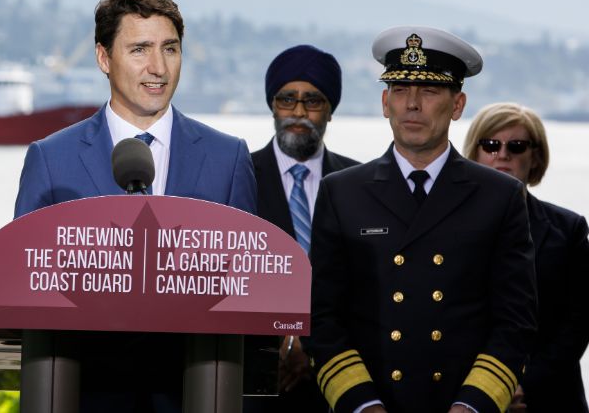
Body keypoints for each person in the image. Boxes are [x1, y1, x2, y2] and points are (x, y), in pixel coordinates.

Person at [13, 0, 258, 412]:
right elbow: (24, 289)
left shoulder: (228, 158)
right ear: (103, 58)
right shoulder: (52, 160)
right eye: (140, 49)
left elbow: (248, 291)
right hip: (84, 396)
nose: (158, 68)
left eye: (171, 48)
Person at [309, 26, 536, 413]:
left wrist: (472, 405)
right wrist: (363, 404)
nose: (412, 104)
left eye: (429, 92)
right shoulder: (341, 192)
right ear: (385, 102)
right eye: (400, 91)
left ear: (458, 104)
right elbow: (322, 317)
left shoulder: (500, 197)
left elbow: (515, 323)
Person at [251, 45, 359, 413]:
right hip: (255, 383)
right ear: (272, 105)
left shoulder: (360, 184)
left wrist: (310, 348)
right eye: (287, 99)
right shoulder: (239, 177)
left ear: (331, 109)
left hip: (340, 382)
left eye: (312, 101)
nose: (298, 112)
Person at [463, 103, 589, 413]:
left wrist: (522, 386)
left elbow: (578, 323)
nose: (502, 154)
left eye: (516, 146)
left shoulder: (568, 229)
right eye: (490, 144)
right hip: (463, 396)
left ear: (535, 157)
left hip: (548, 397)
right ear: (474, 153)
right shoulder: (443, 225)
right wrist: (484, 389)